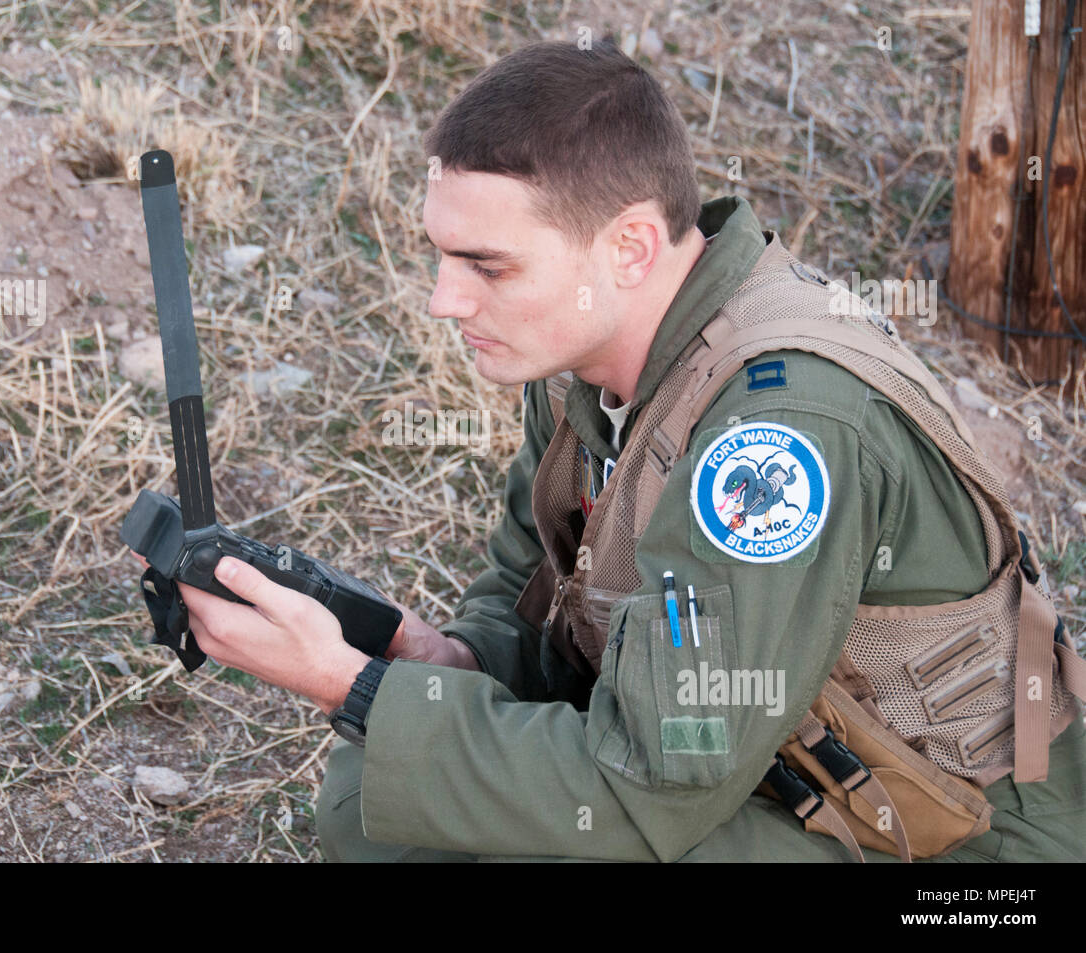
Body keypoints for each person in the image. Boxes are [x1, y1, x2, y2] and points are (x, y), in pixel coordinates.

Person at [137, 40, 1086, 862]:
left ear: (629, 247)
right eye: (441, 255)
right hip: (756, 767)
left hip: (953, 846)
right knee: (372, 809)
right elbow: (535, 579)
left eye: (486, 265)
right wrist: (435, 653)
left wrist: (351, 685)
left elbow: (654, 784)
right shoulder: (587, 356)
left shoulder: (776, 439)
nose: (443, 300)